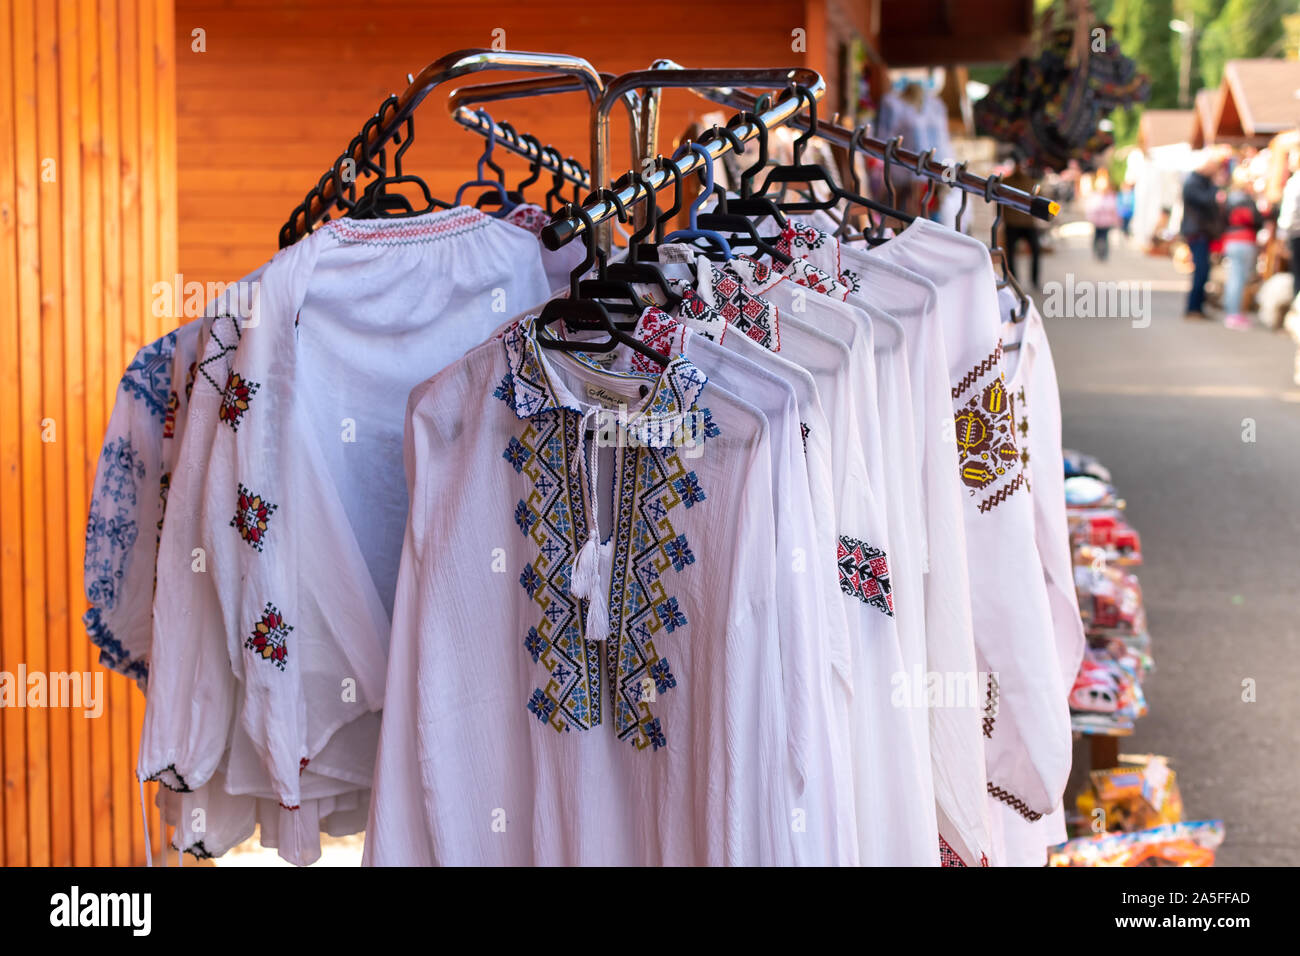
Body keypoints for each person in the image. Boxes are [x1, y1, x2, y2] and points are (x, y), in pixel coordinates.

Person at [1181, 153, 1225, 319]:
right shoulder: (1193, 183)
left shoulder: (1201, 182)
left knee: (1203, 271)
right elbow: (1206, 201)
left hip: (1202, 232)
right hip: (1197, 232)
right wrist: (1216, 187)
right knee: (1201, 271)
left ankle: (1197, 307)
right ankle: (1193, 308)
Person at [1220, 166, 1263, 330]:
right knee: (1239, 278)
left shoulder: (1229, 199)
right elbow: (1257, 220)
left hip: (1231, 240)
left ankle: (1231, 310)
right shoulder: (1247, 200)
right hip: (1244, 240)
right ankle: (1234, 313)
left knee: (1233, 276)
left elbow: (1223, 220)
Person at [1002, 159, 1042, 289]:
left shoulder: (1030, 182)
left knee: (1036, 251)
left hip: (1028, 224)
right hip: (1012, 223)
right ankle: (1014, 280)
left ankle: (1034, 280)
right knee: (1010, 254)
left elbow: (1039, 200)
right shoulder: (1006, 182)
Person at [1276, 158, 1300, 297]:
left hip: (1297, 233)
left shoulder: (1295, 182)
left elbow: (1289, 212)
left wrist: (1282, 236)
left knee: (1298, 274)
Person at [1085, 170, 1120, 261]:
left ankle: (1104, 254)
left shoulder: (1111, 197)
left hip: (1106, 222)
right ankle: (1096, 252)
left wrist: (1116, 220)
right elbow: (1091, 207)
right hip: (1097, 221)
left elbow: (1114, 209)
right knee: (1097, 238)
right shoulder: (1095, 196)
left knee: (1105, 238)